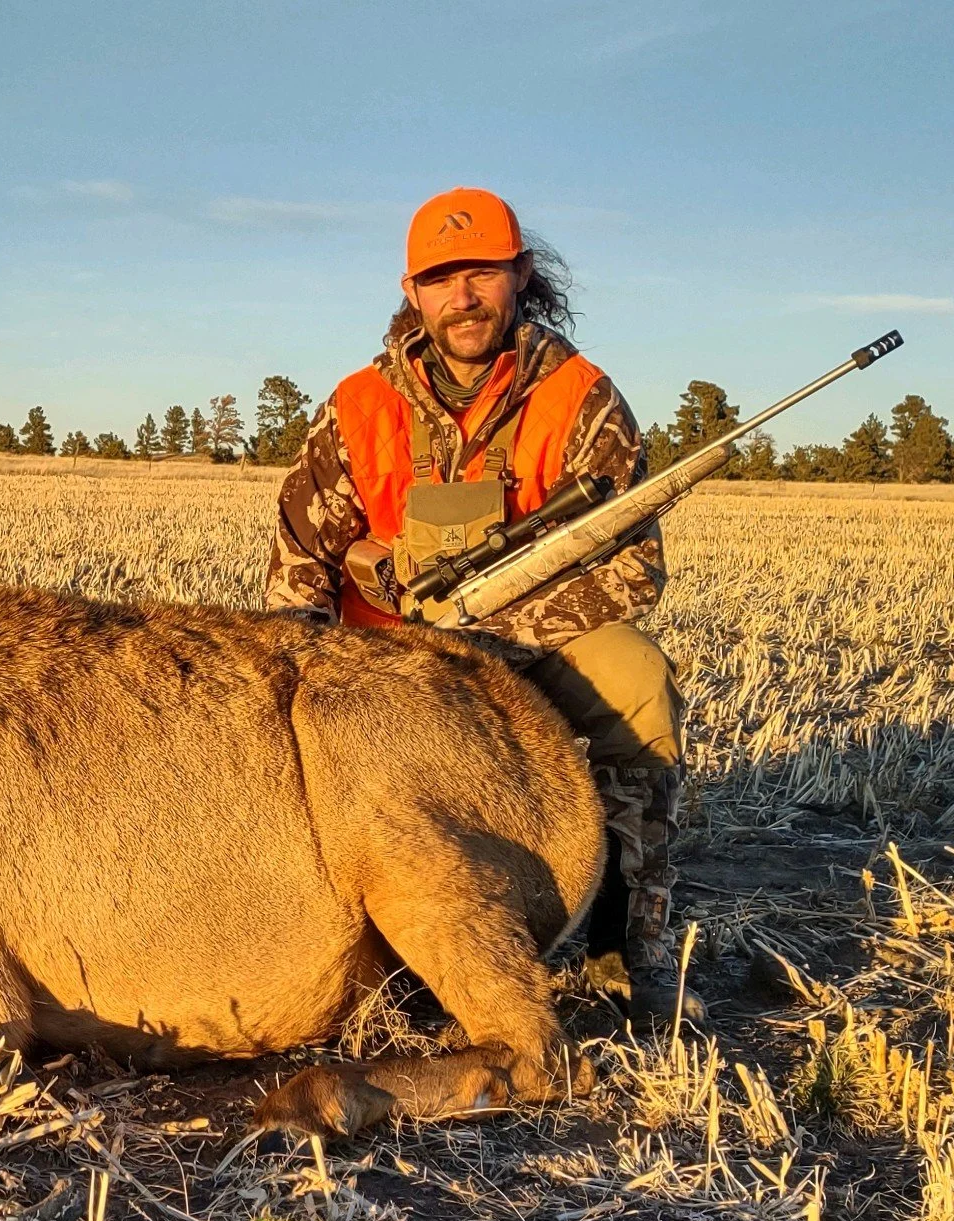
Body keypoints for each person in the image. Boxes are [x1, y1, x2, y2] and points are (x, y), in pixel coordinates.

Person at [265, 186, 696, 1022]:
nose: (461, 296)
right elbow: (295, 573)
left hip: (529, 637)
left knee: (636, 676)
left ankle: (620, 938)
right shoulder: (357, 404)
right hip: (381, 660)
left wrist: (493, 636)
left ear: (519, 274)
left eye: (482, 272)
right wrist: (341, 662)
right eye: (439, 277)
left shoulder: (582, 396)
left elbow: (632, 571)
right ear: (410, 289)